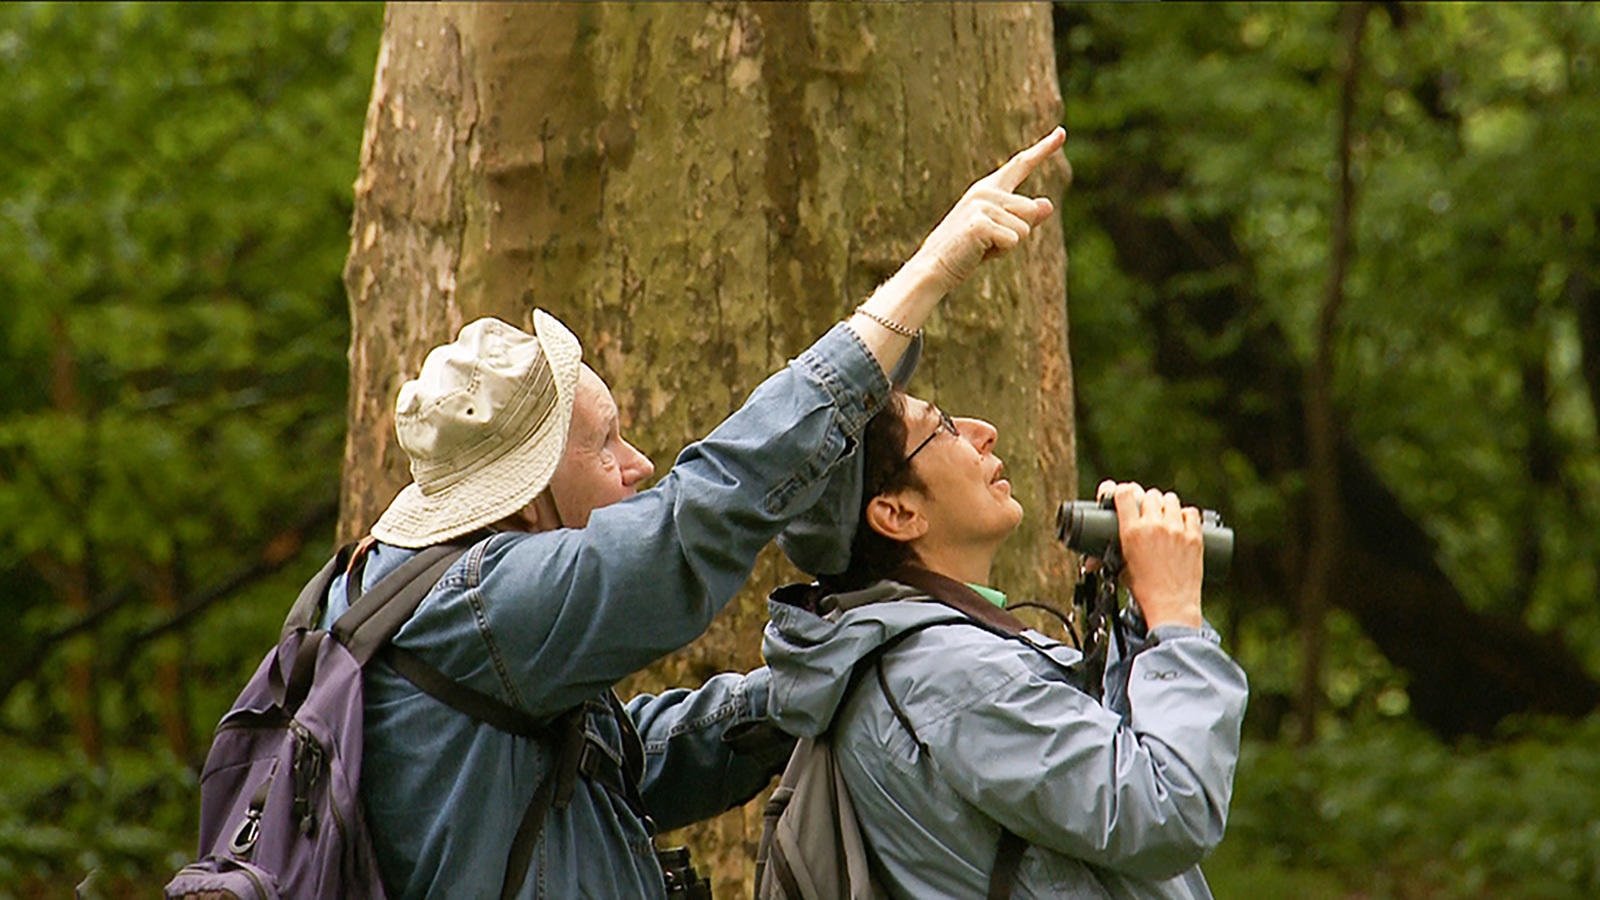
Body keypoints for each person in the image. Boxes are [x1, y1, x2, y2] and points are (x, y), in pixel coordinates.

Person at [316, 127, 1067, 897]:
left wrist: (801, 691)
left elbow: (615, 767)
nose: (638, 464)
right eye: (604, 444)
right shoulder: (482, 604)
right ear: (529, 492)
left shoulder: (416, 597)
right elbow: (700, 515)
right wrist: (927, 276)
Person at [764, 391, 1250, 897]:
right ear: (899, 514)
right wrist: (1174, 615)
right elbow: (1169, 810)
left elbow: (1109, 777)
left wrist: (1144, 619)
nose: (984, 432)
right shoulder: (950, 675)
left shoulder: (912, 658)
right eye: (943, 426)